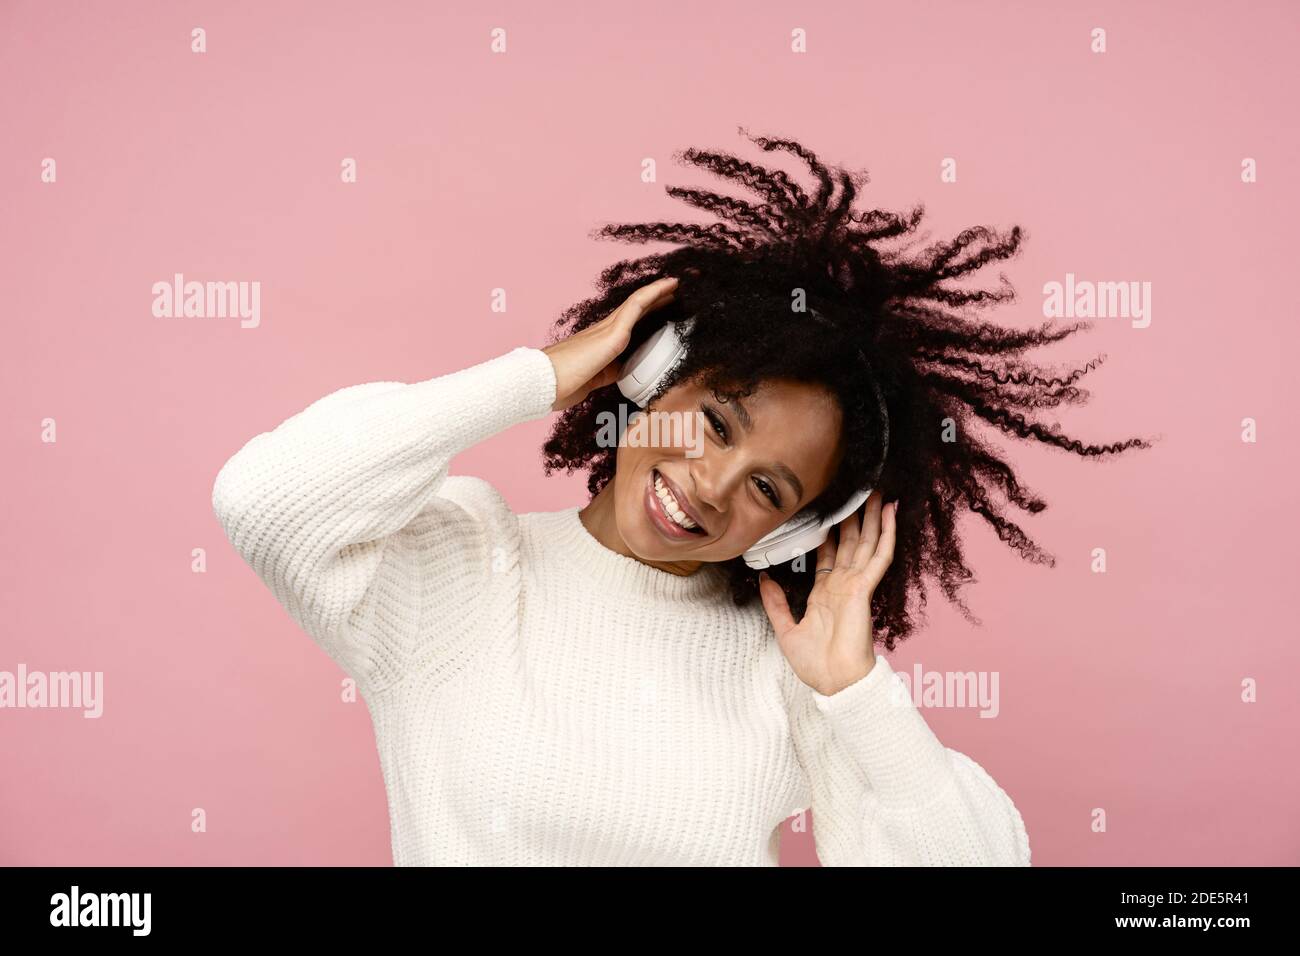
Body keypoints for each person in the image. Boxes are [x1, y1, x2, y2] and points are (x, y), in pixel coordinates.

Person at [211, 130, 1150, 866]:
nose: (710, 485)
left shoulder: (788, 667)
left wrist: (855, 693)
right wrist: (538, 376)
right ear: (651, 378)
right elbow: (264, 499)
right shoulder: (464, 564)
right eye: (715, 422)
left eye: (770, 487)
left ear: (798, 526)